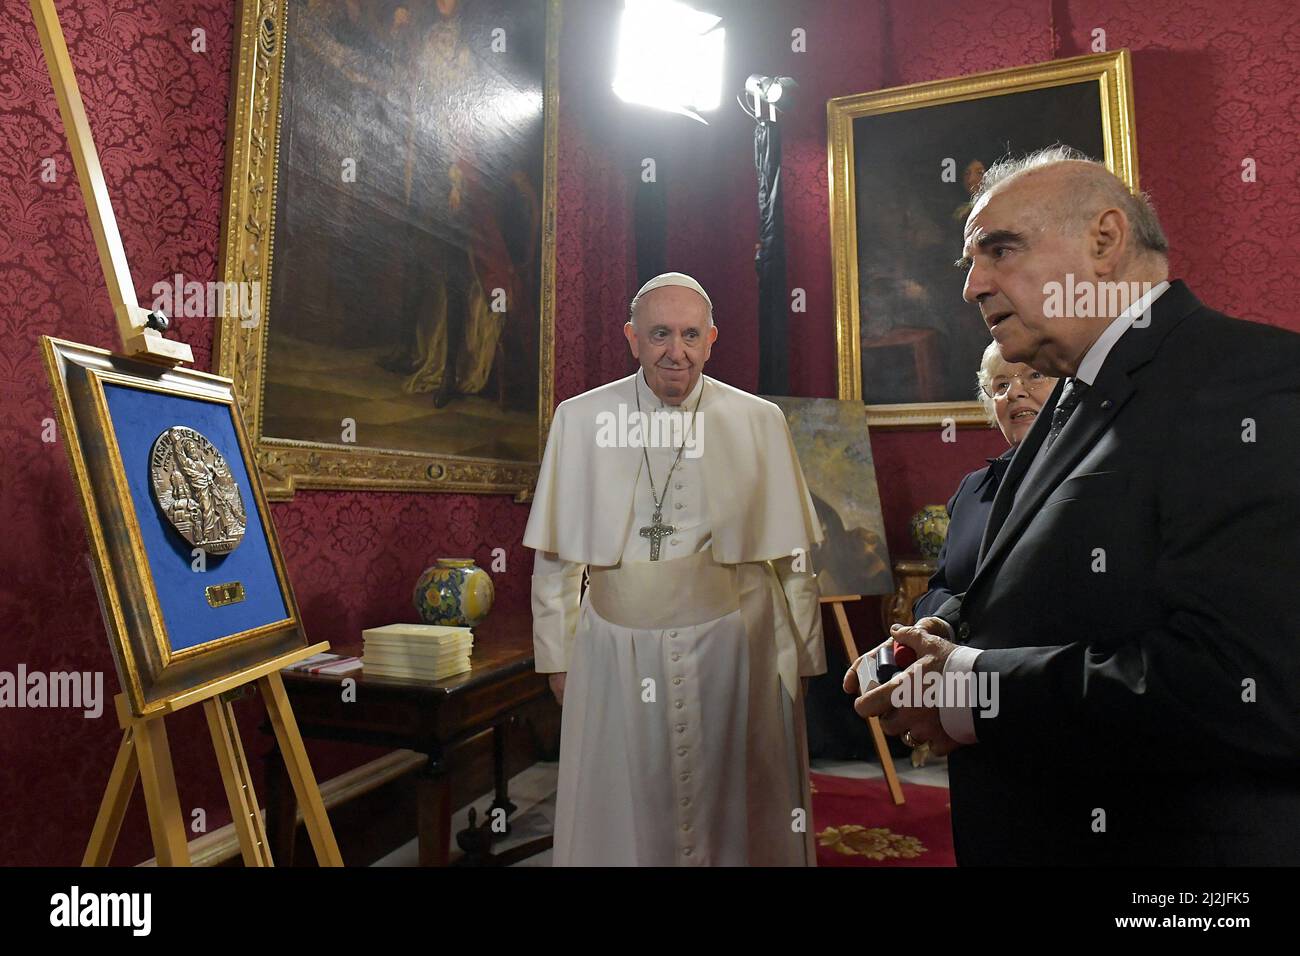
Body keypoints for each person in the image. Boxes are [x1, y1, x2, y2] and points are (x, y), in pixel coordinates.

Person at [845, 146, 1300, 865]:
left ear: (1105, 241)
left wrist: (968, 687)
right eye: (970, 258)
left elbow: (1247, 684)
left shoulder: (1251, 383)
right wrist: (939, 639)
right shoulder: (1071, 393)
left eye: (999, 249)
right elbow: (1043, 585)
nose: (970, 287)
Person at [525, 272, 826, 866]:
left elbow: (794, 559)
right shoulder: (581, 420)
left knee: (733, 796)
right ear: (631, 338)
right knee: (629, 797)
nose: (676, 352)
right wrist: (557, 659)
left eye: (691, 335)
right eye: (659, 334)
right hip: (615, 646)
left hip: (734, 643)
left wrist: (804, 656)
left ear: (712, 339)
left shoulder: (757, 420)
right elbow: (556, 559)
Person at [913, 342, 1057, 620]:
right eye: (1001, 385)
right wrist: (942, 625)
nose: (1014, 392)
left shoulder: (1086, 478)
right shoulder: (972, 489)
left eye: (1035, 375)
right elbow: (936, 590)